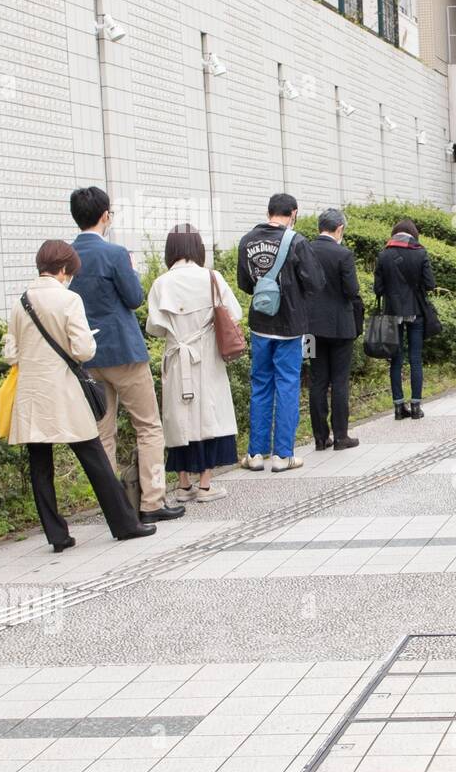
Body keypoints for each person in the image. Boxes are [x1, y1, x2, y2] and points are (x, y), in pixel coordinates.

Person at [4, 240, 155, 551]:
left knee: (40, 465)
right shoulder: (69, 299)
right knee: (93, 456)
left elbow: (10, 353)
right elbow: (83, 349)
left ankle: (57, 536)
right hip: (64, 391)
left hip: (32, 394)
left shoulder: (20, 302)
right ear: (63, 270)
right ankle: (125, 524)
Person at [68, 186, 185, 525]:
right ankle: (152, 502)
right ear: (105, 216)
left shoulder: (67, 256)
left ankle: (114, 509)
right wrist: (131, 270)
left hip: (87, 356)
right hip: (124, 352)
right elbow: (134, 297)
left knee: (103, 433)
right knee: (148, 425)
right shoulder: (115, 253)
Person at [145, 224, 240, 504]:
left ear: (170, 250)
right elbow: (233, 313)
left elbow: (155, 327)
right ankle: (206, 485)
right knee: (208, 417)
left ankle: (184, 484)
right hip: (206, 356)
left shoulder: (161, 283)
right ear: (198, 248)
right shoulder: (211, 277)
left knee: (178, 420)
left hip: (177, 357)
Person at [236, 192, 323, 473]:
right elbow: (316, 283)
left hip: (260, 323)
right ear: (294, 212)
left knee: (260, 384)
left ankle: (255, 454)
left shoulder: (247, 240)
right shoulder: (296, 241)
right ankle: (283, 455)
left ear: (269, 211)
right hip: (290, 325)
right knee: (287, 385)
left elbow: (245, 284)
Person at [305, 209, 362, 451]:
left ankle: (320, 437)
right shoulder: (344, 254)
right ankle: (341, 436)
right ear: (339, 228)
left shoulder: (304, 250)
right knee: (339, 381)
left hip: (310, 328)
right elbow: (351, 290)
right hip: (340, 327)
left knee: (316, 381)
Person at [375, 219, 437, 419]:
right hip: (416, 311)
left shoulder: (383, 255)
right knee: (415, 359)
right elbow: (430, 284)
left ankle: (398, 408)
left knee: (396, 359)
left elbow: (378, 289)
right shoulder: (420, 252)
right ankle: (416, 406)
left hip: (392, 312)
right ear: (413, 235)